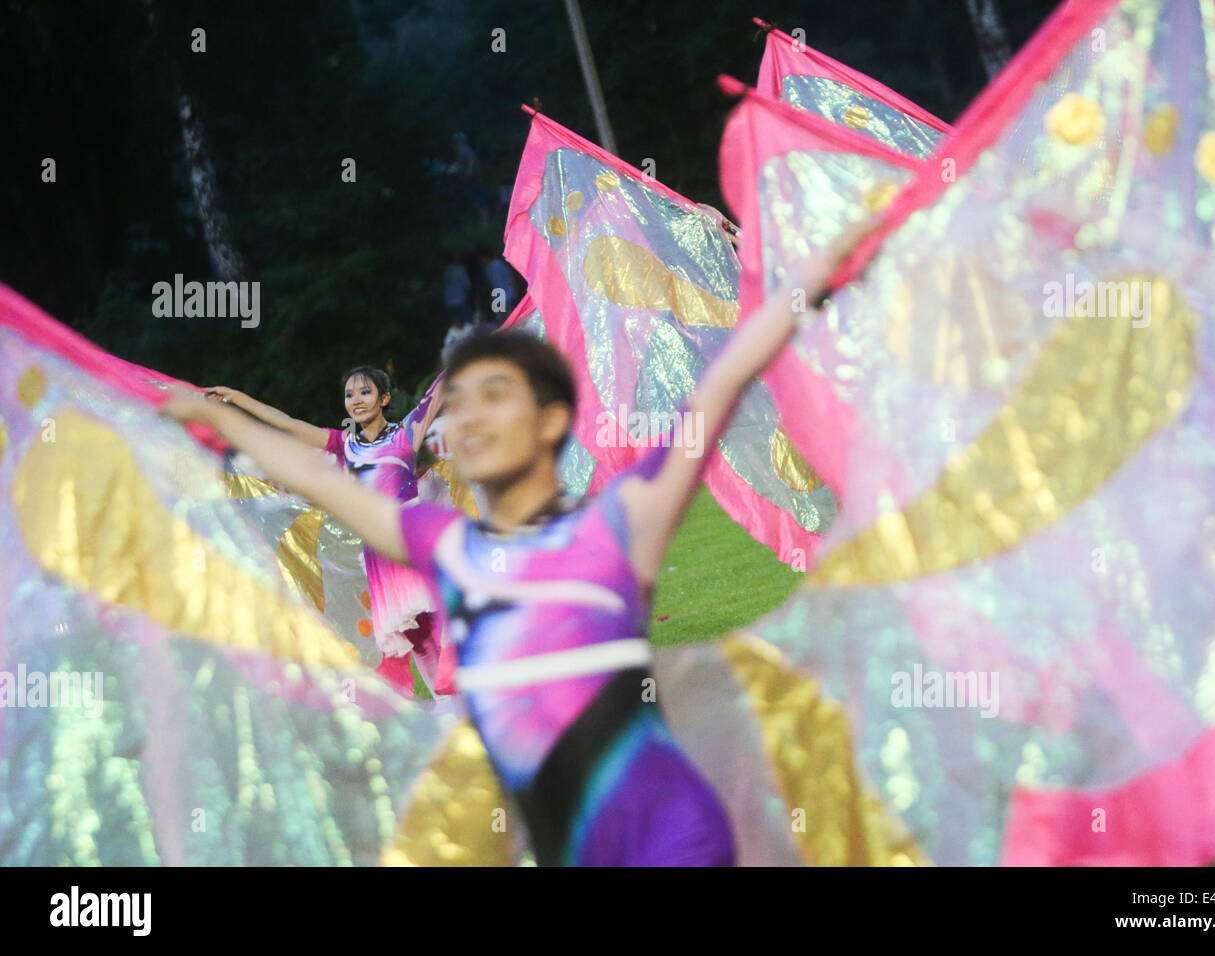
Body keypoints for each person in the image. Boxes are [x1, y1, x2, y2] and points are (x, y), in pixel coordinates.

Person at [165, 218, 872, 865]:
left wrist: (813, 274)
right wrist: (219, 420)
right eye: (460, 403)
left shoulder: (622, 523)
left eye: (495, 394)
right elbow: (323, 481)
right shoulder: (443, 546)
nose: (469, 416)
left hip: (675, 842)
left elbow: (725, 379)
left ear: (551, 420)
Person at [203, 367, 447, 697]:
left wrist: (481, 348)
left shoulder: (405, 434)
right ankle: (450, 709)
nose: (356, 401)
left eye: (365, 392)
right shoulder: (344, 444)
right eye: (349, 394)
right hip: (380, 555)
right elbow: (288, 425)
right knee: (417, 638)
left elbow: (438, 391)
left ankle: (478, 697)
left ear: (384, 398)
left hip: (411, 542)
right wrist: (237, 398)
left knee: (445, 625)